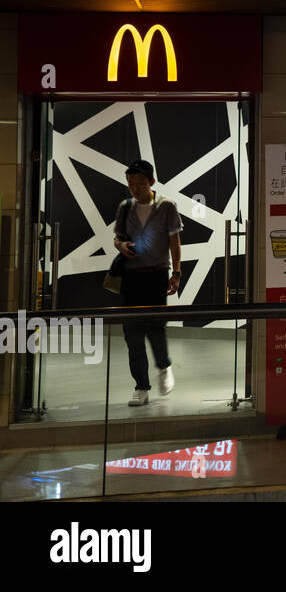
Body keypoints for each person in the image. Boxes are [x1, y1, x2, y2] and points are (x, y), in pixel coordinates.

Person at [110, 160, 183, 407]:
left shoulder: (167, 207)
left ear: (151, 182)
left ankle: (164, 367)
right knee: (132, 333)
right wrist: (122, 246)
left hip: (157, 274)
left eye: (140, 183)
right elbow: (117, 239)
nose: (135, 188)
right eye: (130, 183)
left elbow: (175, 241)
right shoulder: (125, 207)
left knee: (156, 327)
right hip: (132, 276)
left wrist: (177, 272)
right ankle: (141, 386)